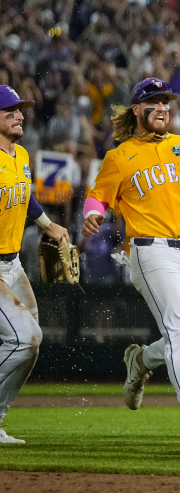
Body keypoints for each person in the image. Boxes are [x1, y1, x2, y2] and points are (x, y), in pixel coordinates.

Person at [82, 78, 180, 440]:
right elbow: (97, 196)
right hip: (151, 252)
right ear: (136, 110)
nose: (163, 107)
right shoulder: (120, 156)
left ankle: (143, 360)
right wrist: (91, 212)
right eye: (154, 102)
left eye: (166, 102)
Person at [0, 85, 71, 445]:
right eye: (10, 109)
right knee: (25, 338)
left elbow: (26, 199)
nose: (19, 114)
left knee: (29, 344)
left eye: (20, 109)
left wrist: (50, 225)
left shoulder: (22, 155)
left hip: (12, 265)